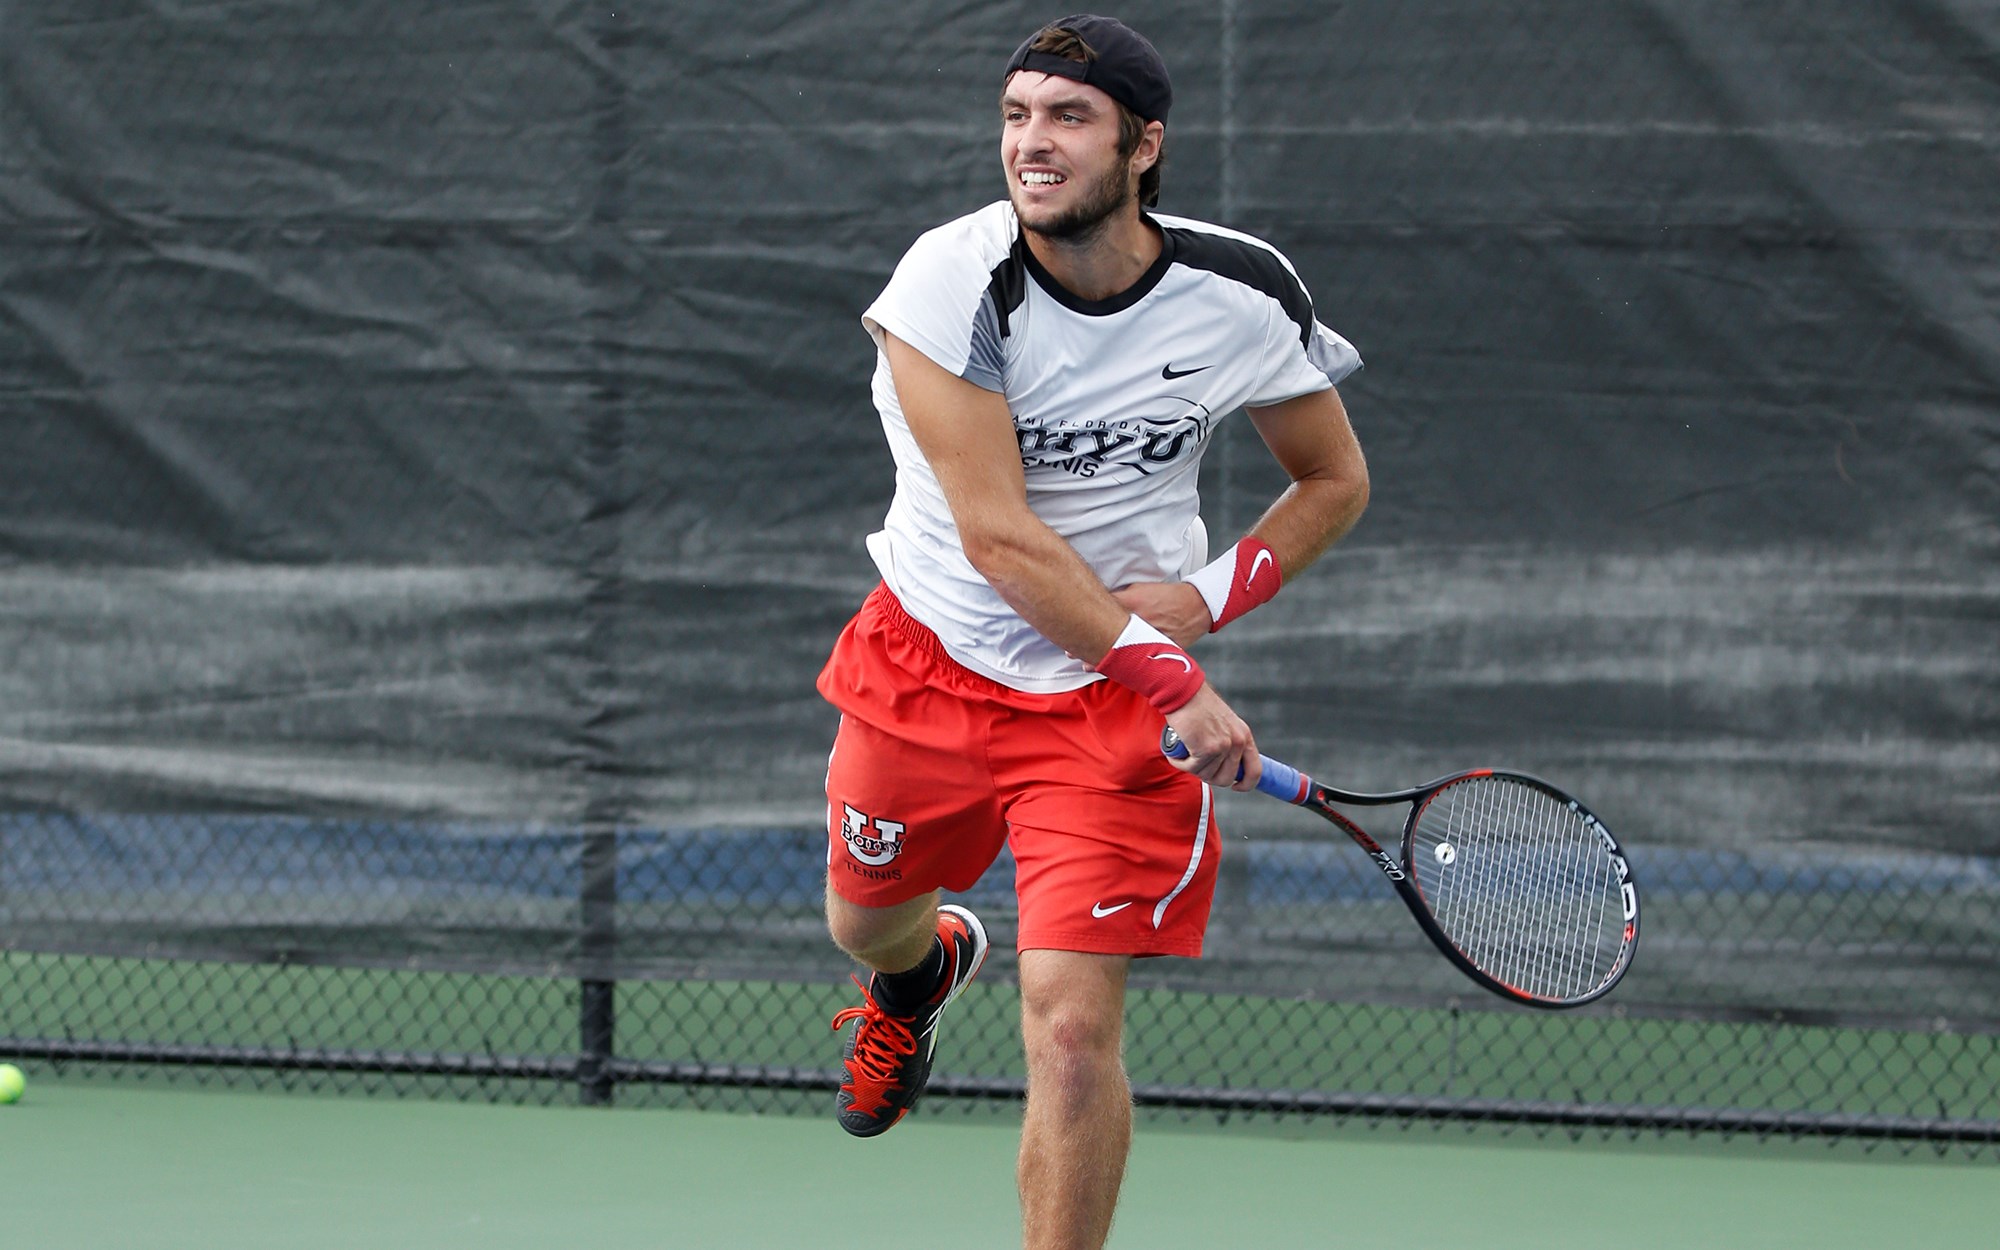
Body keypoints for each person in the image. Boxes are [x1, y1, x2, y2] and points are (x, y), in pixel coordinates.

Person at [817, 13, 1369, 1248]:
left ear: (1142, 144)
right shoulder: (950, 281)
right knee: (862, 920)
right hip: (931, 664)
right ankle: (916, 972)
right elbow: (999, 538)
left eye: (1068, 116)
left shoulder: (1239, 292)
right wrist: (1175, 674)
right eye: (1015, 115)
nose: (1032, 141)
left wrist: (1213, 595)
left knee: (1071, 1032)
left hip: (1107, 713)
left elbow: (1332, 479)